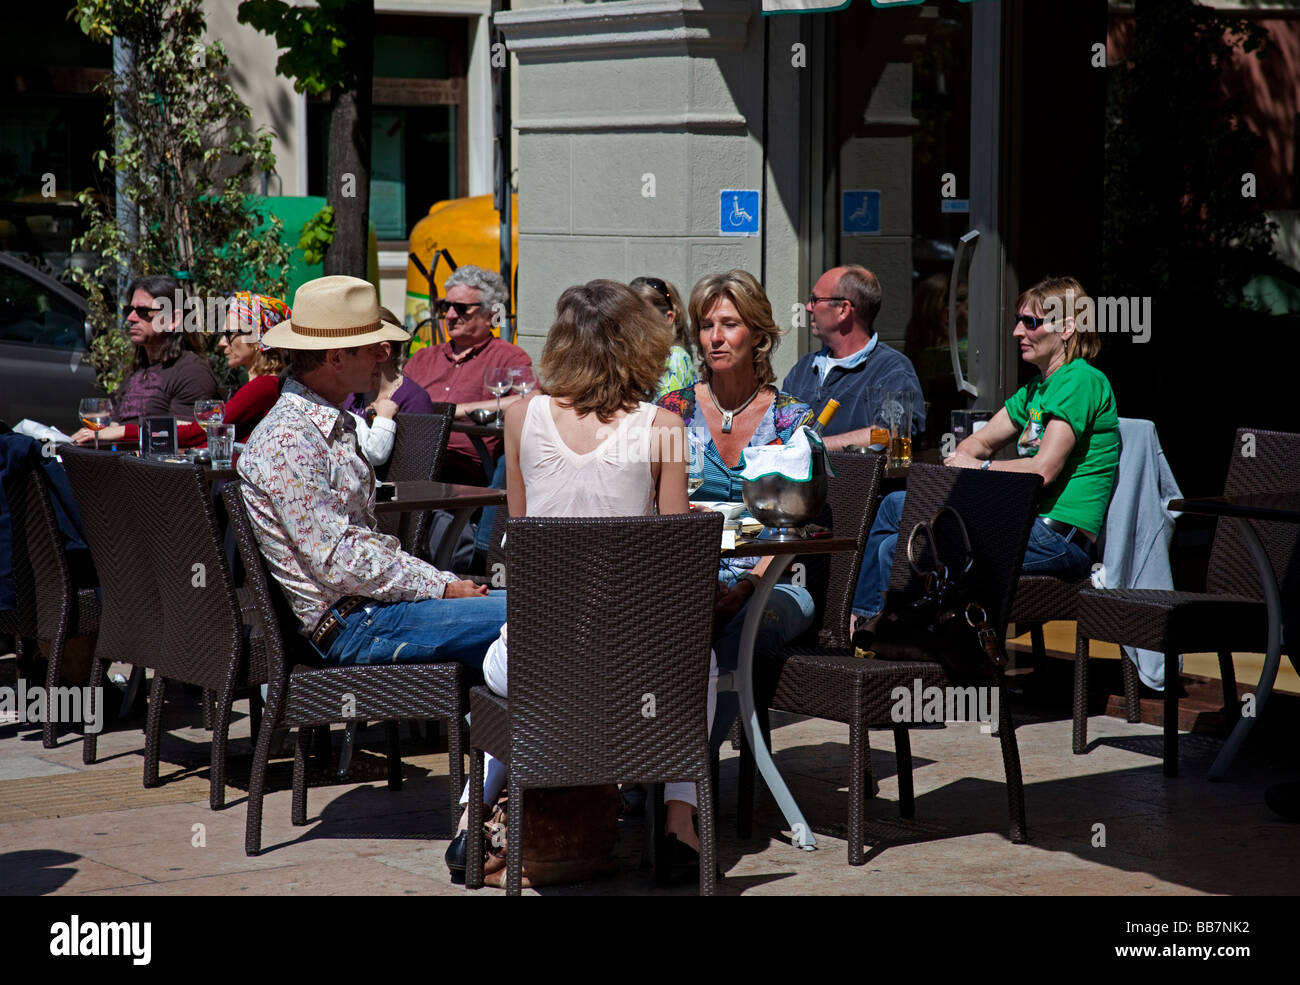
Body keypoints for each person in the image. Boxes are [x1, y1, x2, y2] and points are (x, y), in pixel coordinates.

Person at [444, 279, 702, 882]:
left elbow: (524, 537)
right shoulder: (663, 424)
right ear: (642, 345)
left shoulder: (518, 416)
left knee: (508, 678)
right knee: (702, 667)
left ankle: (469, 819)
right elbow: (671, 557)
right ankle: (678, 826)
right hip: (629, 660)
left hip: (535, 655)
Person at [236, 275, 505, 674]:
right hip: (352, 623)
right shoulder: (290, 437)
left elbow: (354, 549)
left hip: (369, 609)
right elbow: (336, 559)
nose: (384, 357)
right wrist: (442, 587)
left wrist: (441, 583)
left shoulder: (320, 423)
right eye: (372, 349)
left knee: (535, 614)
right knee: (539, 618)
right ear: (336, 357)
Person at [851, 275, 1120, 627]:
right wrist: (969, 459)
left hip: (1056, 539)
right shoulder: (1038, 388)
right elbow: (976, 443)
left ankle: (897, 639)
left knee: (898, 549)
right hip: (1022, 523)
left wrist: (977, 469)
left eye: (1031, 322)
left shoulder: (1080, 380)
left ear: (1067, 327)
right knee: (892, 506)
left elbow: (1043, 470)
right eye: (1018, 321)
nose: (1017, 332)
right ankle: (866, 620)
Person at [656, 269, 817, 749]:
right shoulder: (671, 411)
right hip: (683, 579)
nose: (715, 338)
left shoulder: (791, 417)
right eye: (706, 326)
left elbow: (803, 526)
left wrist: (747, 585)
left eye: (729, 324)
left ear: (760, 335)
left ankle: (686, 773)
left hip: (772, 583)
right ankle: (657, 768)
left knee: (734, 631)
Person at [402, 266, 532, 485]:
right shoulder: (424, 357)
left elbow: (531, 399)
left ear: (490, 314)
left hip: (463, 463)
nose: (451, 315)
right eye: (446, 306)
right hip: (409, 455)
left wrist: (461, 411)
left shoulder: (509, 357)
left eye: (461, 308)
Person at [781, 265, 925, 451]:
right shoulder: (803, 369)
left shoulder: (891, 369)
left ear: (843, 309)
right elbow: (780, 432)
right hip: (802, 480)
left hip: (858, 480)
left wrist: (814, 447)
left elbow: (890, 435)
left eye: (815, 300)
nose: (808, 308)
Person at [68, 274, 220, 446]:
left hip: (156, 470)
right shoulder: (138, 370)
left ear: (173, 320)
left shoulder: (192, 372)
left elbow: (186, 438)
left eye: (143, 311)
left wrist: (119, 433)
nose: (131, 318)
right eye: (129, 310)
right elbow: (115, 425)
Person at [343, 306, 438, 421]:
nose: (344, 357)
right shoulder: (352, 395)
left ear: (381, 353)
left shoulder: (414, 400)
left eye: (352, 350)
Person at [629, 275, 697, 398]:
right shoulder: (634, 358)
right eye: (630, 314)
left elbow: (672, 412)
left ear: (668, 318)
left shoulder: (675, 359)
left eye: (643, 315)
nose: (634, 322)